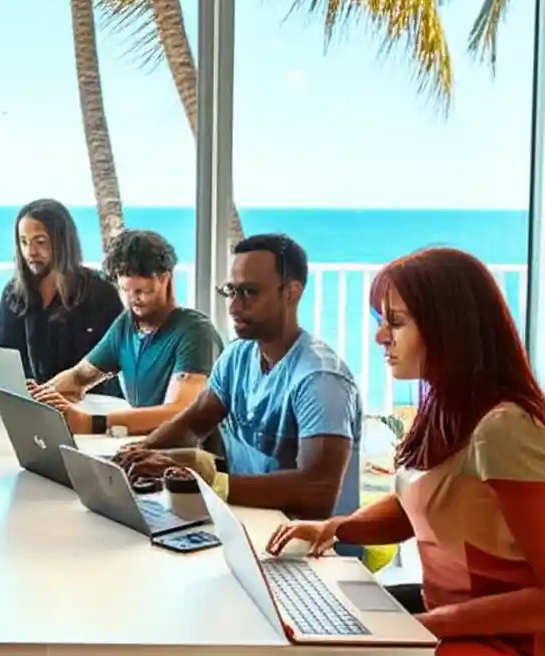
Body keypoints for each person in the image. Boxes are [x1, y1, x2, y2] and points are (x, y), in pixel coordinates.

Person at [268, 248, 545, 654]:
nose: (381, 336)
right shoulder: (445, 408)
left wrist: (425, 626)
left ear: (448, 328)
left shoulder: (504, 429)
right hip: (446, 626)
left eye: (395, 323)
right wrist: (336, 528)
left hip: (498, 643)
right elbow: (420, 507)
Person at [115, 234, 362, 521]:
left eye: (249, 293)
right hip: (249, 527)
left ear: (292, 292)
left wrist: (208, 484)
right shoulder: (238, 356)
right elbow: (192, 424)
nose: (233, 307)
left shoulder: (320, 379)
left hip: (313, 551)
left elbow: (318, 494)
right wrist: (137, 454)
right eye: (231, 291)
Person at [32, 229, 222, 435]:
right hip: (147, 450)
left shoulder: (195, 332)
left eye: (143, 291)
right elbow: (79, 377)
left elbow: (179, 412)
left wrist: (92, 423)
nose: (133, 300)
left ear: (166, 279)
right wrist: (39, 396)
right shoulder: (127, 325)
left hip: (196, 458)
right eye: (125, 290)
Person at [0, 198, 124, 394]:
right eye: (24, 242)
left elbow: (119, 355)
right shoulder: (14, 294)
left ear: (62, 241)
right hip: (36, 405)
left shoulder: (100, 291)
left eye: (40, 241)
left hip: (92, 406)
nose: (31, 251)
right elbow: (2, 358)